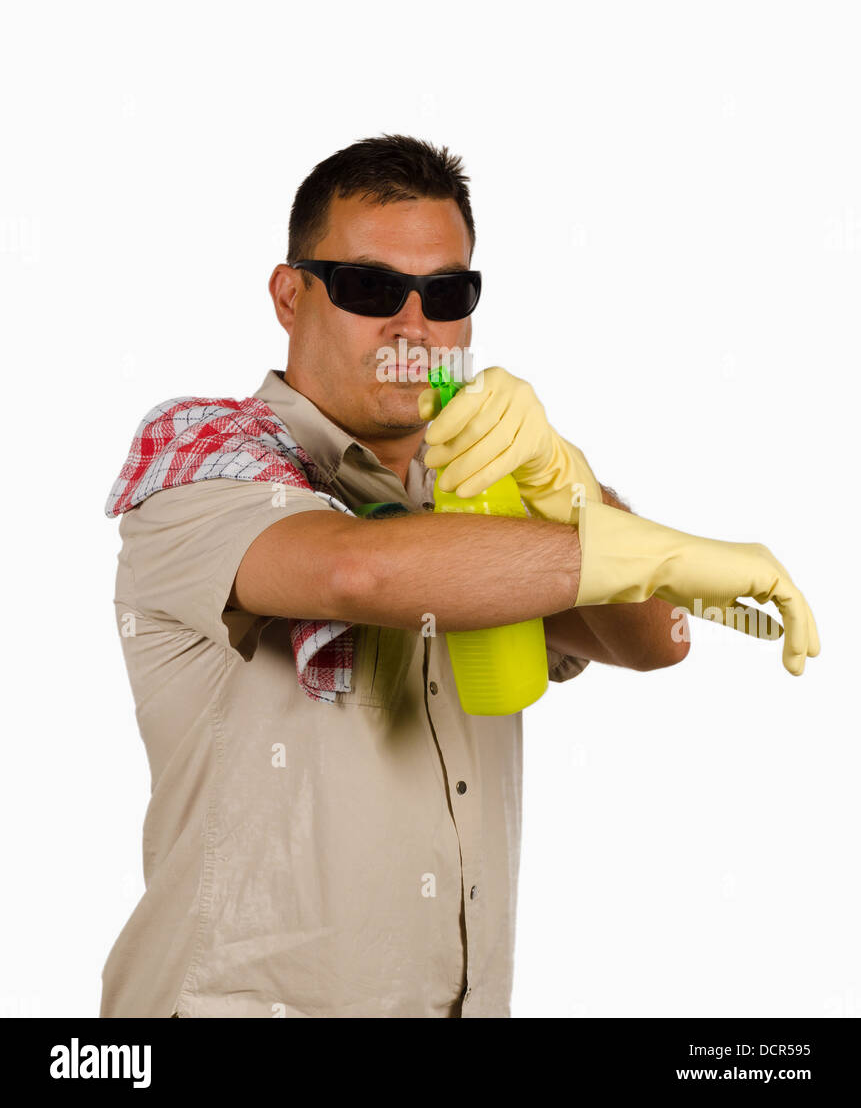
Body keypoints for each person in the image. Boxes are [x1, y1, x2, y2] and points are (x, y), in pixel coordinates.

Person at [100, 133, 818, 1019]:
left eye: (444, 294)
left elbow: (654, 640)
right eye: (369, 288)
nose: (413, 327)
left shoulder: (486, 492)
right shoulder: (206, 455)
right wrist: (653, 553)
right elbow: (356, 572)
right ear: (290, 296)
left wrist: (568, 477)